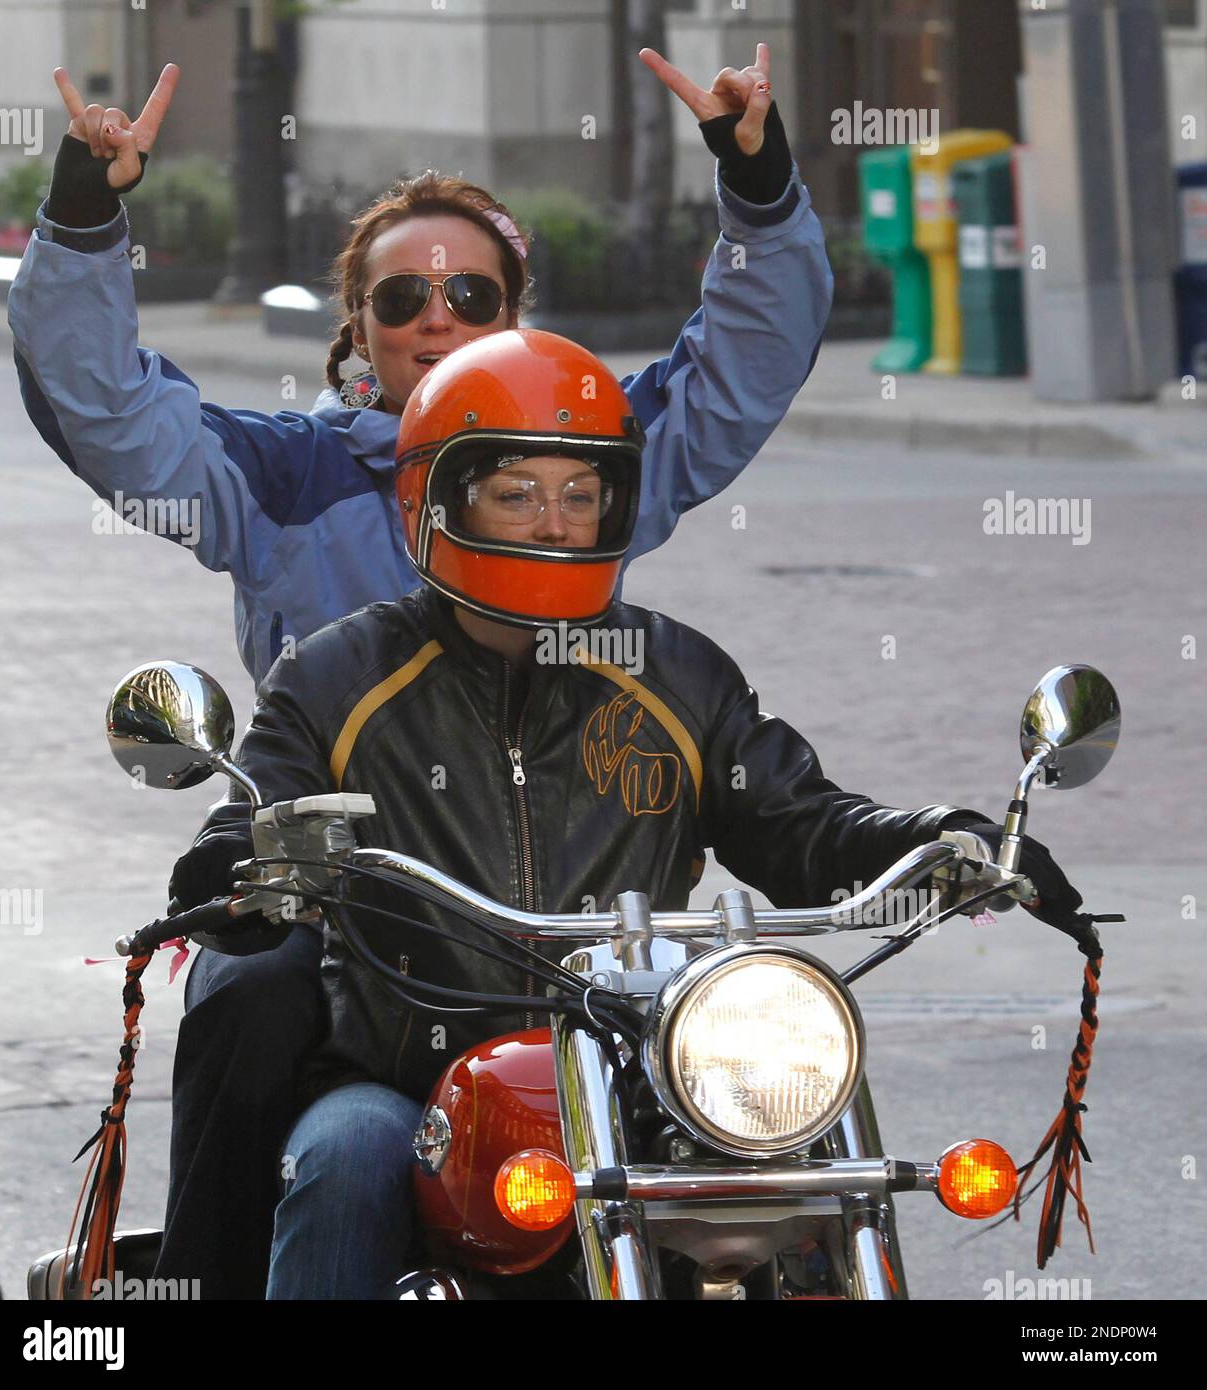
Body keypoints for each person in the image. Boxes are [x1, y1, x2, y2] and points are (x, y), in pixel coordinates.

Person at [9, 45, 836, 1298]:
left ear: (519, 319)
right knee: (250, 996)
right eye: (400, 299)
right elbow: (106, 407)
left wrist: (757, 181)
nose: (436, 317)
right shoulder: (285, 478)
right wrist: (84, 212)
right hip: (341, 910)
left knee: (764, 1097)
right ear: (360, 327)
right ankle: (206, 1278)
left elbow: (740, 368)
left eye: (471, 294)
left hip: (571, 907)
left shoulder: (594, 456)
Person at [168, 330, 1085, 1299]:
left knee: (805, 1157)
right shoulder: (336, 676)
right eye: (516, 494)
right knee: (343, 1161)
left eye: (579, 494)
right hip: (405, 1080)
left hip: (650, 1075)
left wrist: (947, 839)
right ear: (436, 502)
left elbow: (802, 824)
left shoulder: (675, 674)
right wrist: (237, 856)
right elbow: (262, 804)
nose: (555, 523)